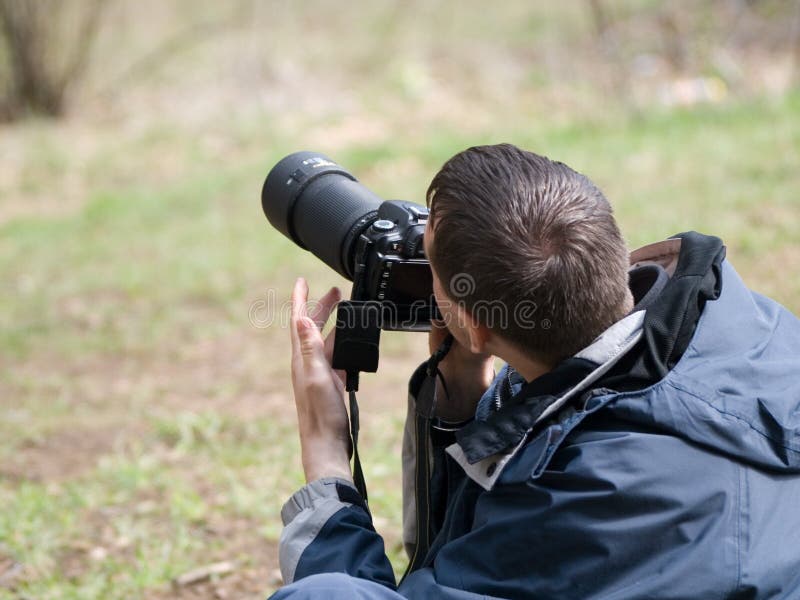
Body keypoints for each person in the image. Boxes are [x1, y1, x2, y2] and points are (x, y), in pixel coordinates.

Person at [270, 144, 800, 599]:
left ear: (476, 327)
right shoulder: (753, 330)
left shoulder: (575, 504)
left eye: (427, 268)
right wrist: (464, 401)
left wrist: (325, 455)